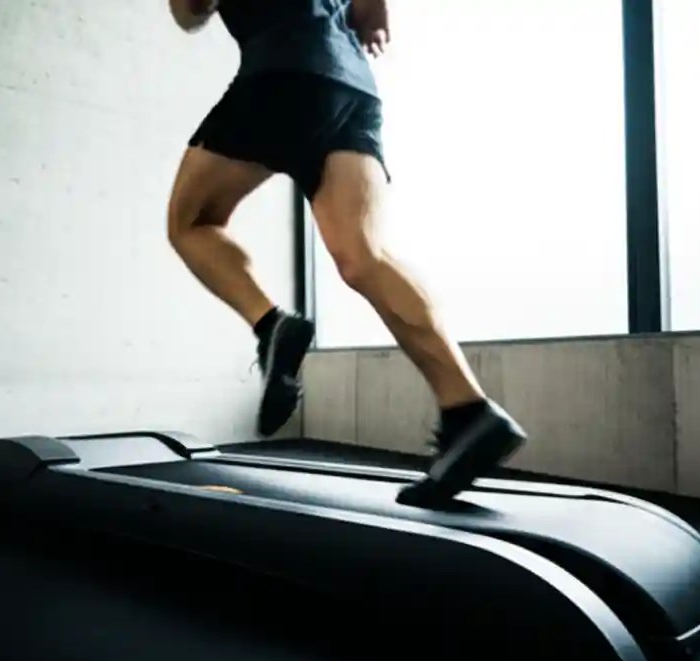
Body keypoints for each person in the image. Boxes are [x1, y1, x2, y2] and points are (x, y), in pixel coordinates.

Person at [165, 0, 527, 504]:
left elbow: (189, 11)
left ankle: (272, 325)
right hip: (352, 85)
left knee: (191, 221)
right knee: (363, 256)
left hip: (282, 72)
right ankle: (469, 409)